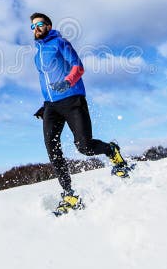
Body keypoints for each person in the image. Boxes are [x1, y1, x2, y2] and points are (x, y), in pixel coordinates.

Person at [30, 12, 130, 216]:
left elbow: (78, 67)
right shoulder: (36, 55)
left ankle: (112, 151)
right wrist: (45, 105)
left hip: (72, 99)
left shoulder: (60, 43)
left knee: (84, 146)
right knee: (52, 146)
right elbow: (46, 81)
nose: (36, 29)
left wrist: (67, 82)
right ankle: (68, 194)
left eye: (39, 24)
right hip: (51, 105)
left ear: (49, 26)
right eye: (33, 26)